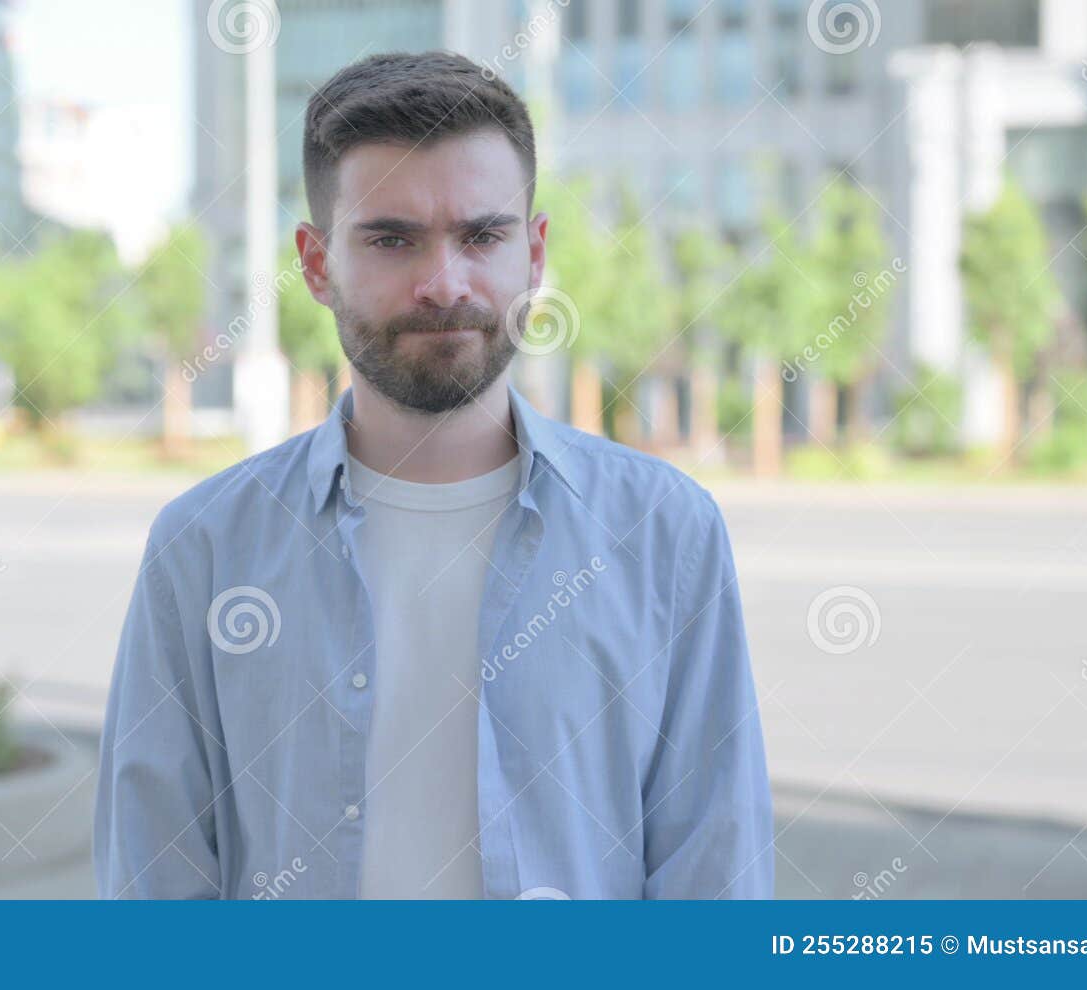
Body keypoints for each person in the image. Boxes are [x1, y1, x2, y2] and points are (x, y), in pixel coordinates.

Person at [94, 50, 773, 900]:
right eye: (391, 239)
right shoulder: (203, 548)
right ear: (315, 263)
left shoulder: (665, 532)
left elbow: (717, 872)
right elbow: (153, 884)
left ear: (533, 253)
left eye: (481, 235)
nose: (443, 283)